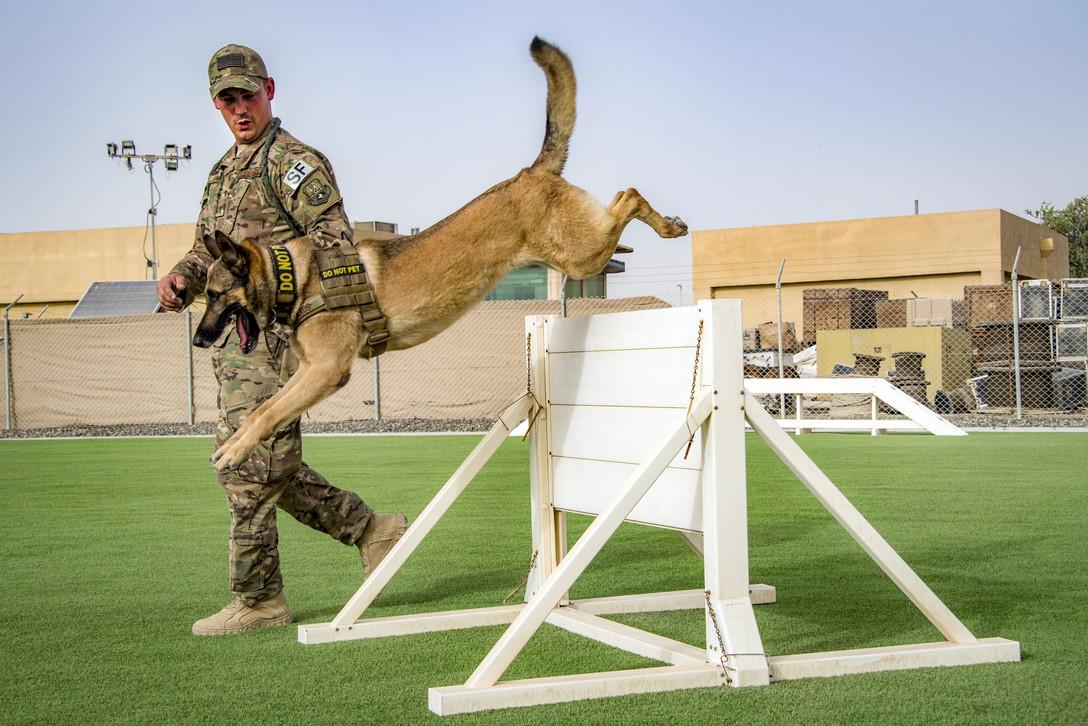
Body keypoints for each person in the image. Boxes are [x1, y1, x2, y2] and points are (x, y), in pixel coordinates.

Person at [157, 44, 406, 636]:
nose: (239, 107)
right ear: (216, 103)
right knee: (272, 463)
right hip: (234, 347)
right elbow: (208, 252)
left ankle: (259, 599)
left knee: (246, 468)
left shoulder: (293, 163)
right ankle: (372, 530)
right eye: (227, 98)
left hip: (279, 336)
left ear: (270, 90)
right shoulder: (223, 173)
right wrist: (181, 278)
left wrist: (334, 323)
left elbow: (334, 238)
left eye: (248, 94)